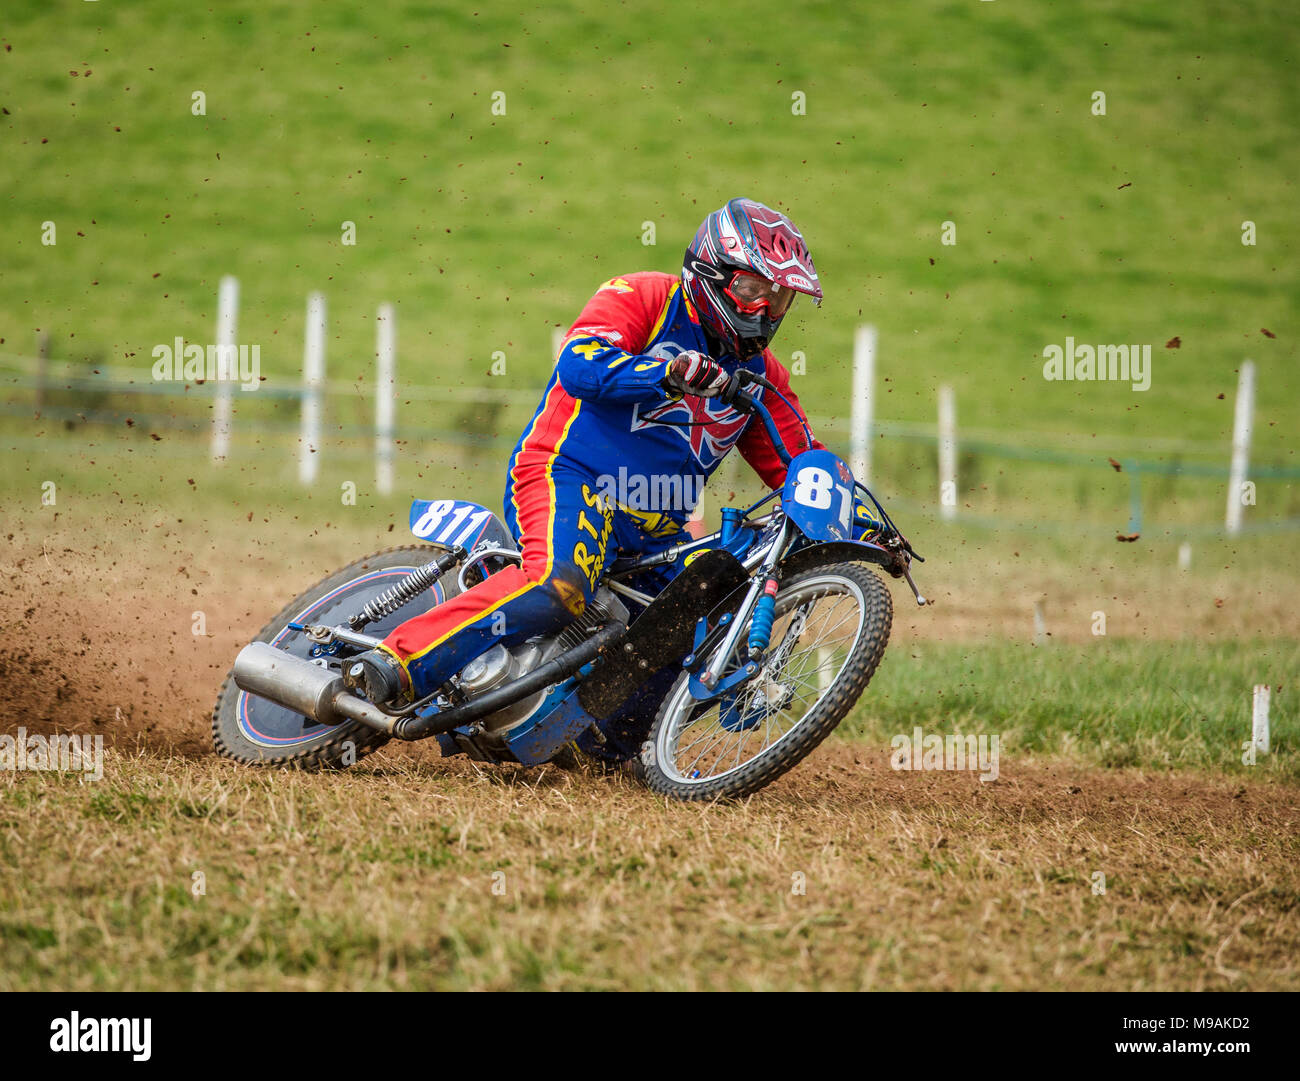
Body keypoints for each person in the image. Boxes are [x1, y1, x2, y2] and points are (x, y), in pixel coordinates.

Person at [345, 197, 880, 706]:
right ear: (712, 273)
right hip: (567, 474)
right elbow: (578, 364)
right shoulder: (644, 295)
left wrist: (862, 523)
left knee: (714, 629)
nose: (765, 310)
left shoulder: (765, 378)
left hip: (654, 528)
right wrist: (666, 374)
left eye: (780, 298)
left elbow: (802, 465)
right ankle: (396, 663)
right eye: (750, 289)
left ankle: (601, 739)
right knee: (558, 586)